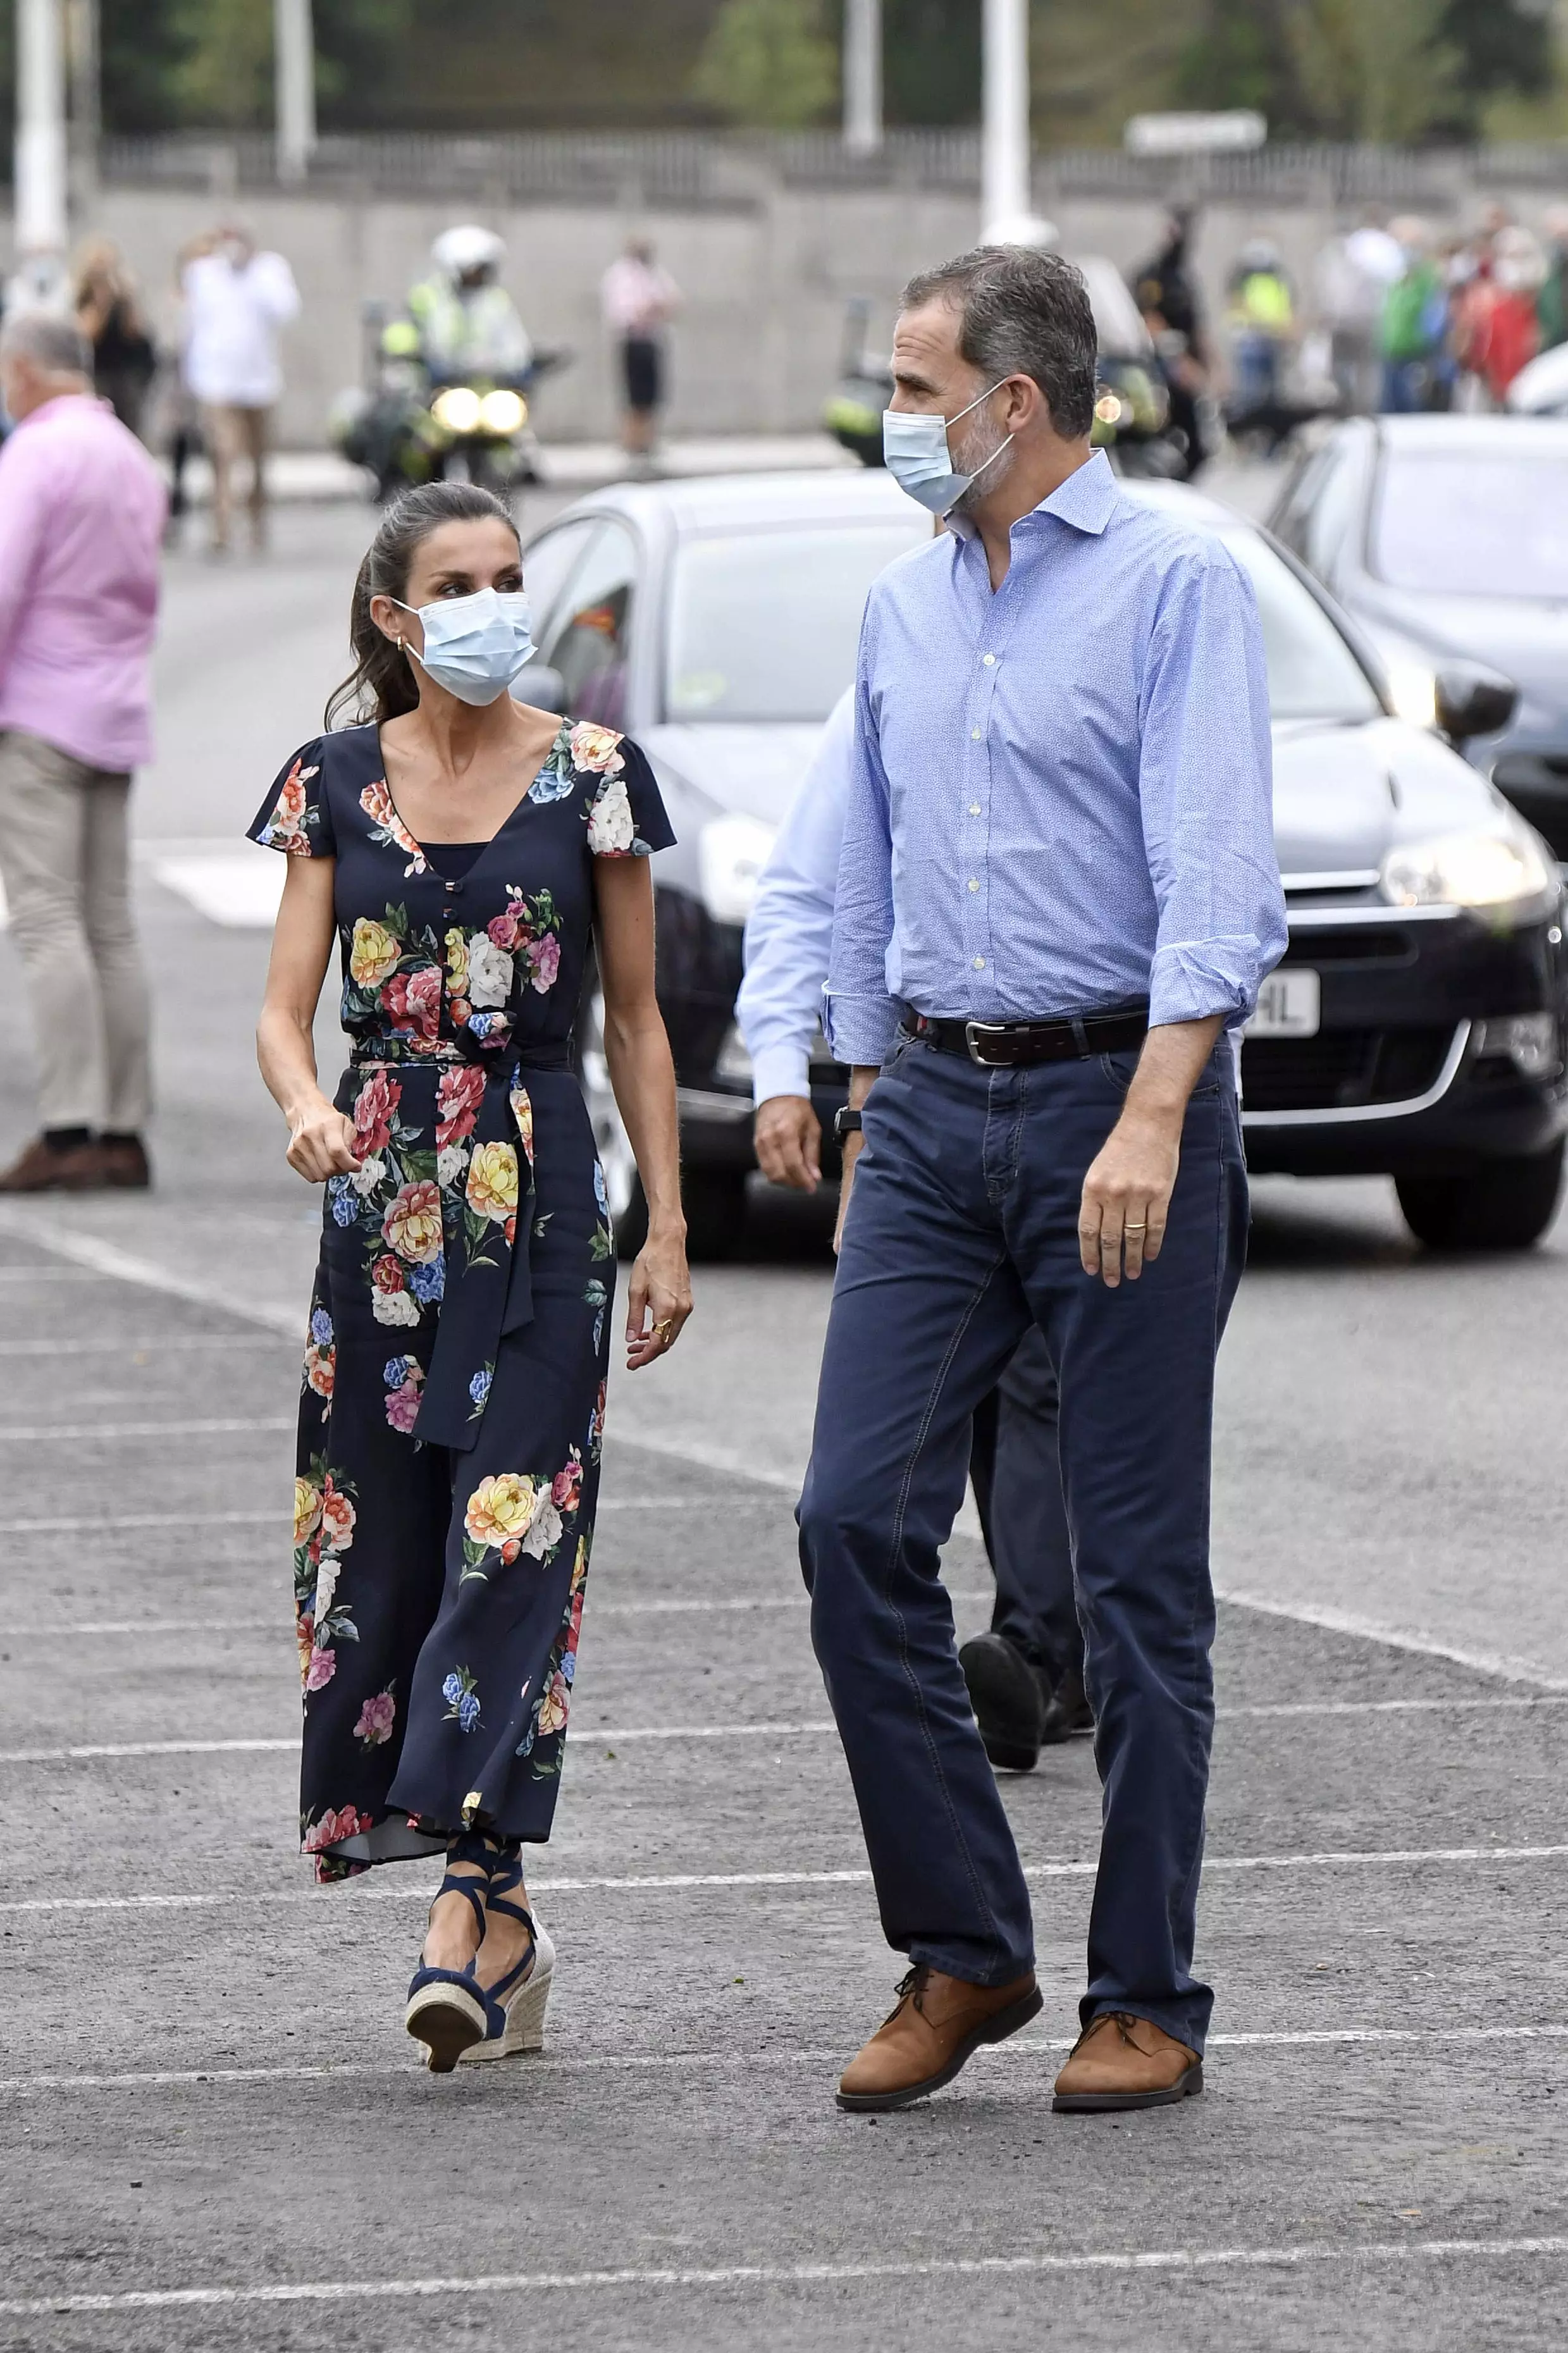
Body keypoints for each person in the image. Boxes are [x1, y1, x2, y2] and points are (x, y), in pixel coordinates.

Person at [798, 244, 1284, 2117]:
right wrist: (853, 1093)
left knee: (1133, 1582)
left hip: (1118, 1097)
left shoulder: (1174, 586)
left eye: (916, 387)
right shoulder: (900, 607)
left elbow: (1217, 868)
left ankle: (1144, 1991)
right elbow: (868, 860)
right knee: (849, 1522)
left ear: (1015, 402)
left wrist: (1157, 1109)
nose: (894, 417)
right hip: (932, 1103)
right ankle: (967, 1950)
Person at [249, 479, 691, 2072]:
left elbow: (635, 1021)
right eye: (460, 581)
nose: (496, 601)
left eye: (511, 576)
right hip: (378, 1198)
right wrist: (308, 1105)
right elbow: (282, 1006)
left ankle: (475, 1894)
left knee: (518, 1524)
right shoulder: (333, 784)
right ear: (394, 617)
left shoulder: (592, 777)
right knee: (390, 1529)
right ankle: (493, 1917)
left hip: (544, 1195)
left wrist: (672, 1226)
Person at [737, 688, 1089, 1770]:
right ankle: (1013, 1664)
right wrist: (787, 1078)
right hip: (920, 1101)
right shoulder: (893, 669)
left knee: (1038, 1377)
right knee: (892, 1455)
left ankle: (1038, 1654)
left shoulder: (1115, 639)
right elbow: (815, 892)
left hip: (1078, 1088)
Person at [0, 311, 164, 1194]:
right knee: (109, 923)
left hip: (39, 711)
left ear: (25, 371)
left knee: (49, 921)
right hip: (114, 709)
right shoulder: (130, 457)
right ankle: (124, 1129)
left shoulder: (35, 453)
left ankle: (66, 1128)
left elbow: (3, 581)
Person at [181, 224, 299, 553]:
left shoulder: (269, 272)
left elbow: (286, 310)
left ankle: (257, 524)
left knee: (258, 459)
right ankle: (221, 527)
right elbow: (192, 324)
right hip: (216, 380)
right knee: (223, 453)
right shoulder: (203, 274)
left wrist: (254, 276)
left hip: (259, 382)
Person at [1130, 209, 1213, 478]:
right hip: (1162, 368)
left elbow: (1197, 327)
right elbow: (1150, 321)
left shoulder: (1184, 278)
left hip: (1186, 368)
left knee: (1199, 445)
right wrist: (1183, 365)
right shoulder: (1153, 276)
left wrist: (1213, 368)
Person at [396, 227, 533, 385]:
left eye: (485, 270)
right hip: (436, 388)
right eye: (475, 271)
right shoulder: (430, 299)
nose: (481, 276)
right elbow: (408, 340)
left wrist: (519, 363)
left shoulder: (495, 302)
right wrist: (415, 357)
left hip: (489, 390)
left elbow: (515, 347)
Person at [600, 237, 681, 473]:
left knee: (652, 395)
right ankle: (632, 444)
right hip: (632, 340)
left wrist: (653, 309)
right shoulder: (621, 275)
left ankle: (648, 442)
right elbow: (626, 312)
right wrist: (650, 309)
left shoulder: (654, 274)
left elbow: (672, 301)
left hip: (651, 339)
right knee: (634, 395)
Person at [71, 239, 156, 438]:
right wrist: (102, 302)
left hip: (126, 375)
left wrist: (127, 296)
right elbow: (87, 334)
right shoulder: (83, 297)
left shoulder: (125, 297)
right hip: (98, 373)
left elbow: (136, 330)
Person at [1378, 218, 1447, 414]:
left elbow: (1435, 319)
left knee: (1412, 408)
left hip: (1416, 356)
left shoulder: (1429, 281)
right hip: (1392, 354)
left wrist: (1426, 346)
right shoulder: (1396, 281)